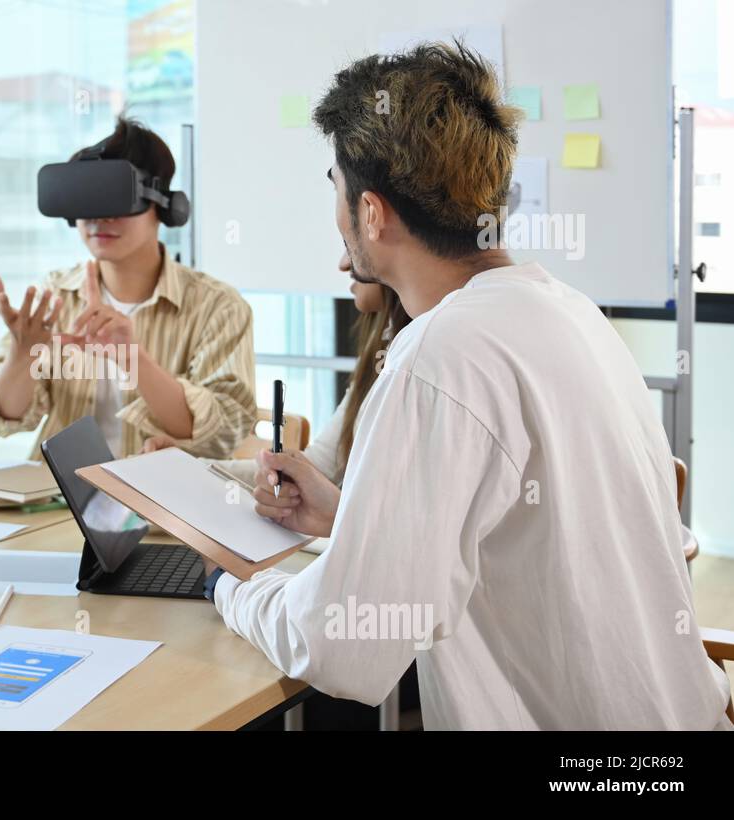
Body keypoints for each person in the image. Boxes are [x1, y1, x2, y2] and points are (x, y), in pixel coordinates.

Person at [208, 44, 732, 729]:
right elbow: (514, 542)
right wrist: (351, 517)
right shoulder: (565, 311)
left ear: (371, 211)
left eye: (334, 184)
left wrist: (230, 585)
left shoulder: (440, 354)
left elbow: (343, 647)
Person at [0, 116, 257, 459]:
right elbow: (8, 418)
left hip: (161, 502)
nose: (99, 218)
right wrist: (22, 355)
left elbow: (222, 434)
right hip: (61, 501)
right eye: (87, 201)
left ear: (164, 206)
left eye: (115, 199)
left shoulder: (218, 307)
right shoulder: (55, 296)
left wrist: (132, 358)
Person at [143, 251, 409, 490]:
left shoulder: (411, 360)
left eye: (349, 243)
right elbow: (319, 469)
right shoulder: (384, 349)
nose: (343, 263)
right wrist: (186, 468)